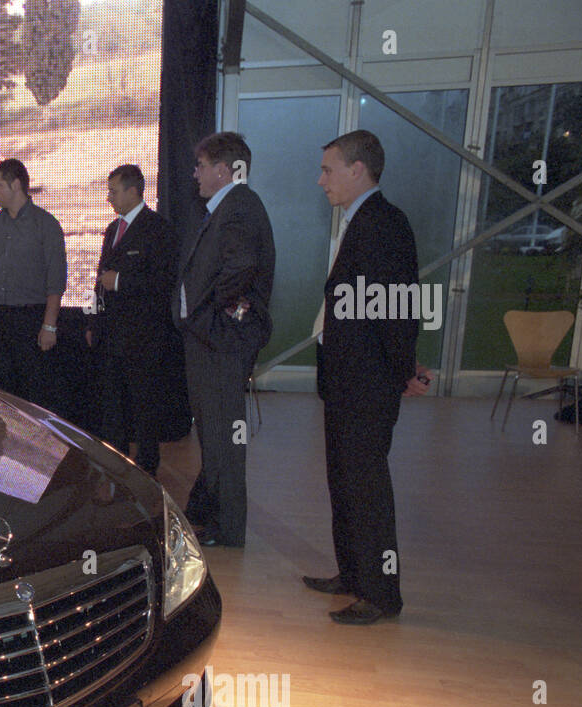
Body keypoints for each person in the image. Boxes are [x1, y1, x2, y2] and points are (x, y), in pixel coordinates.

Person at [304, 129, 426, 625]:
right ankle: (353, 575)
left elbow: (398, 311)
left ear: (358, 170)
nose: (321, 181)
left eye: (329, 170)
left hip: (368, 384)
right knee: (344, 482)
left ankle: (381, 593)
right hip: (348, 381)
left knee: (368, 489)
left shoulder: (384, 224)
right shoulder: (361, 220)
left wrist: (403, 374)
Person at [172, 132, 275, 547]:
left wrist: (207, 317)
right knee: (214, 436)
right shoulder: (227, 208)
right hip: (211, 342)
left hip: (220, 344)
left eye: (200, 166)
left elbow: (239, 270)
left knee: (224, 438)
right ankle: (214, 515)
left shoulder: (239, 208)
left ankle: (227, 528)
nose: (194, 174)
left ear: (222, 169)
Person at [85, 163, 187, 474]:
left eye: (114, 192)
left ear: (133, 191)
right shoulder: (112, 230)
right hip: (110, 335)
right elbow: (100, 278)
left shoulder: (158, 229)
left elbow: (163, 282)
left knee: (144, 408)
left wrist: (120, 282)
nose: (109, 198)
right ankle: (115, 466)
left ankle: (146, 472)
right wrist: (93, 320)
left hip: (144, 337)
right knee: (112, 406)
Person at [0, 158, 67, 410]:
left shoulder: (46, 225)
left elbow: (56, 282)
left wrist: (49, 326)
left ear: (15, 185)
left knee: (32, 395)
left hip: (29, 321)